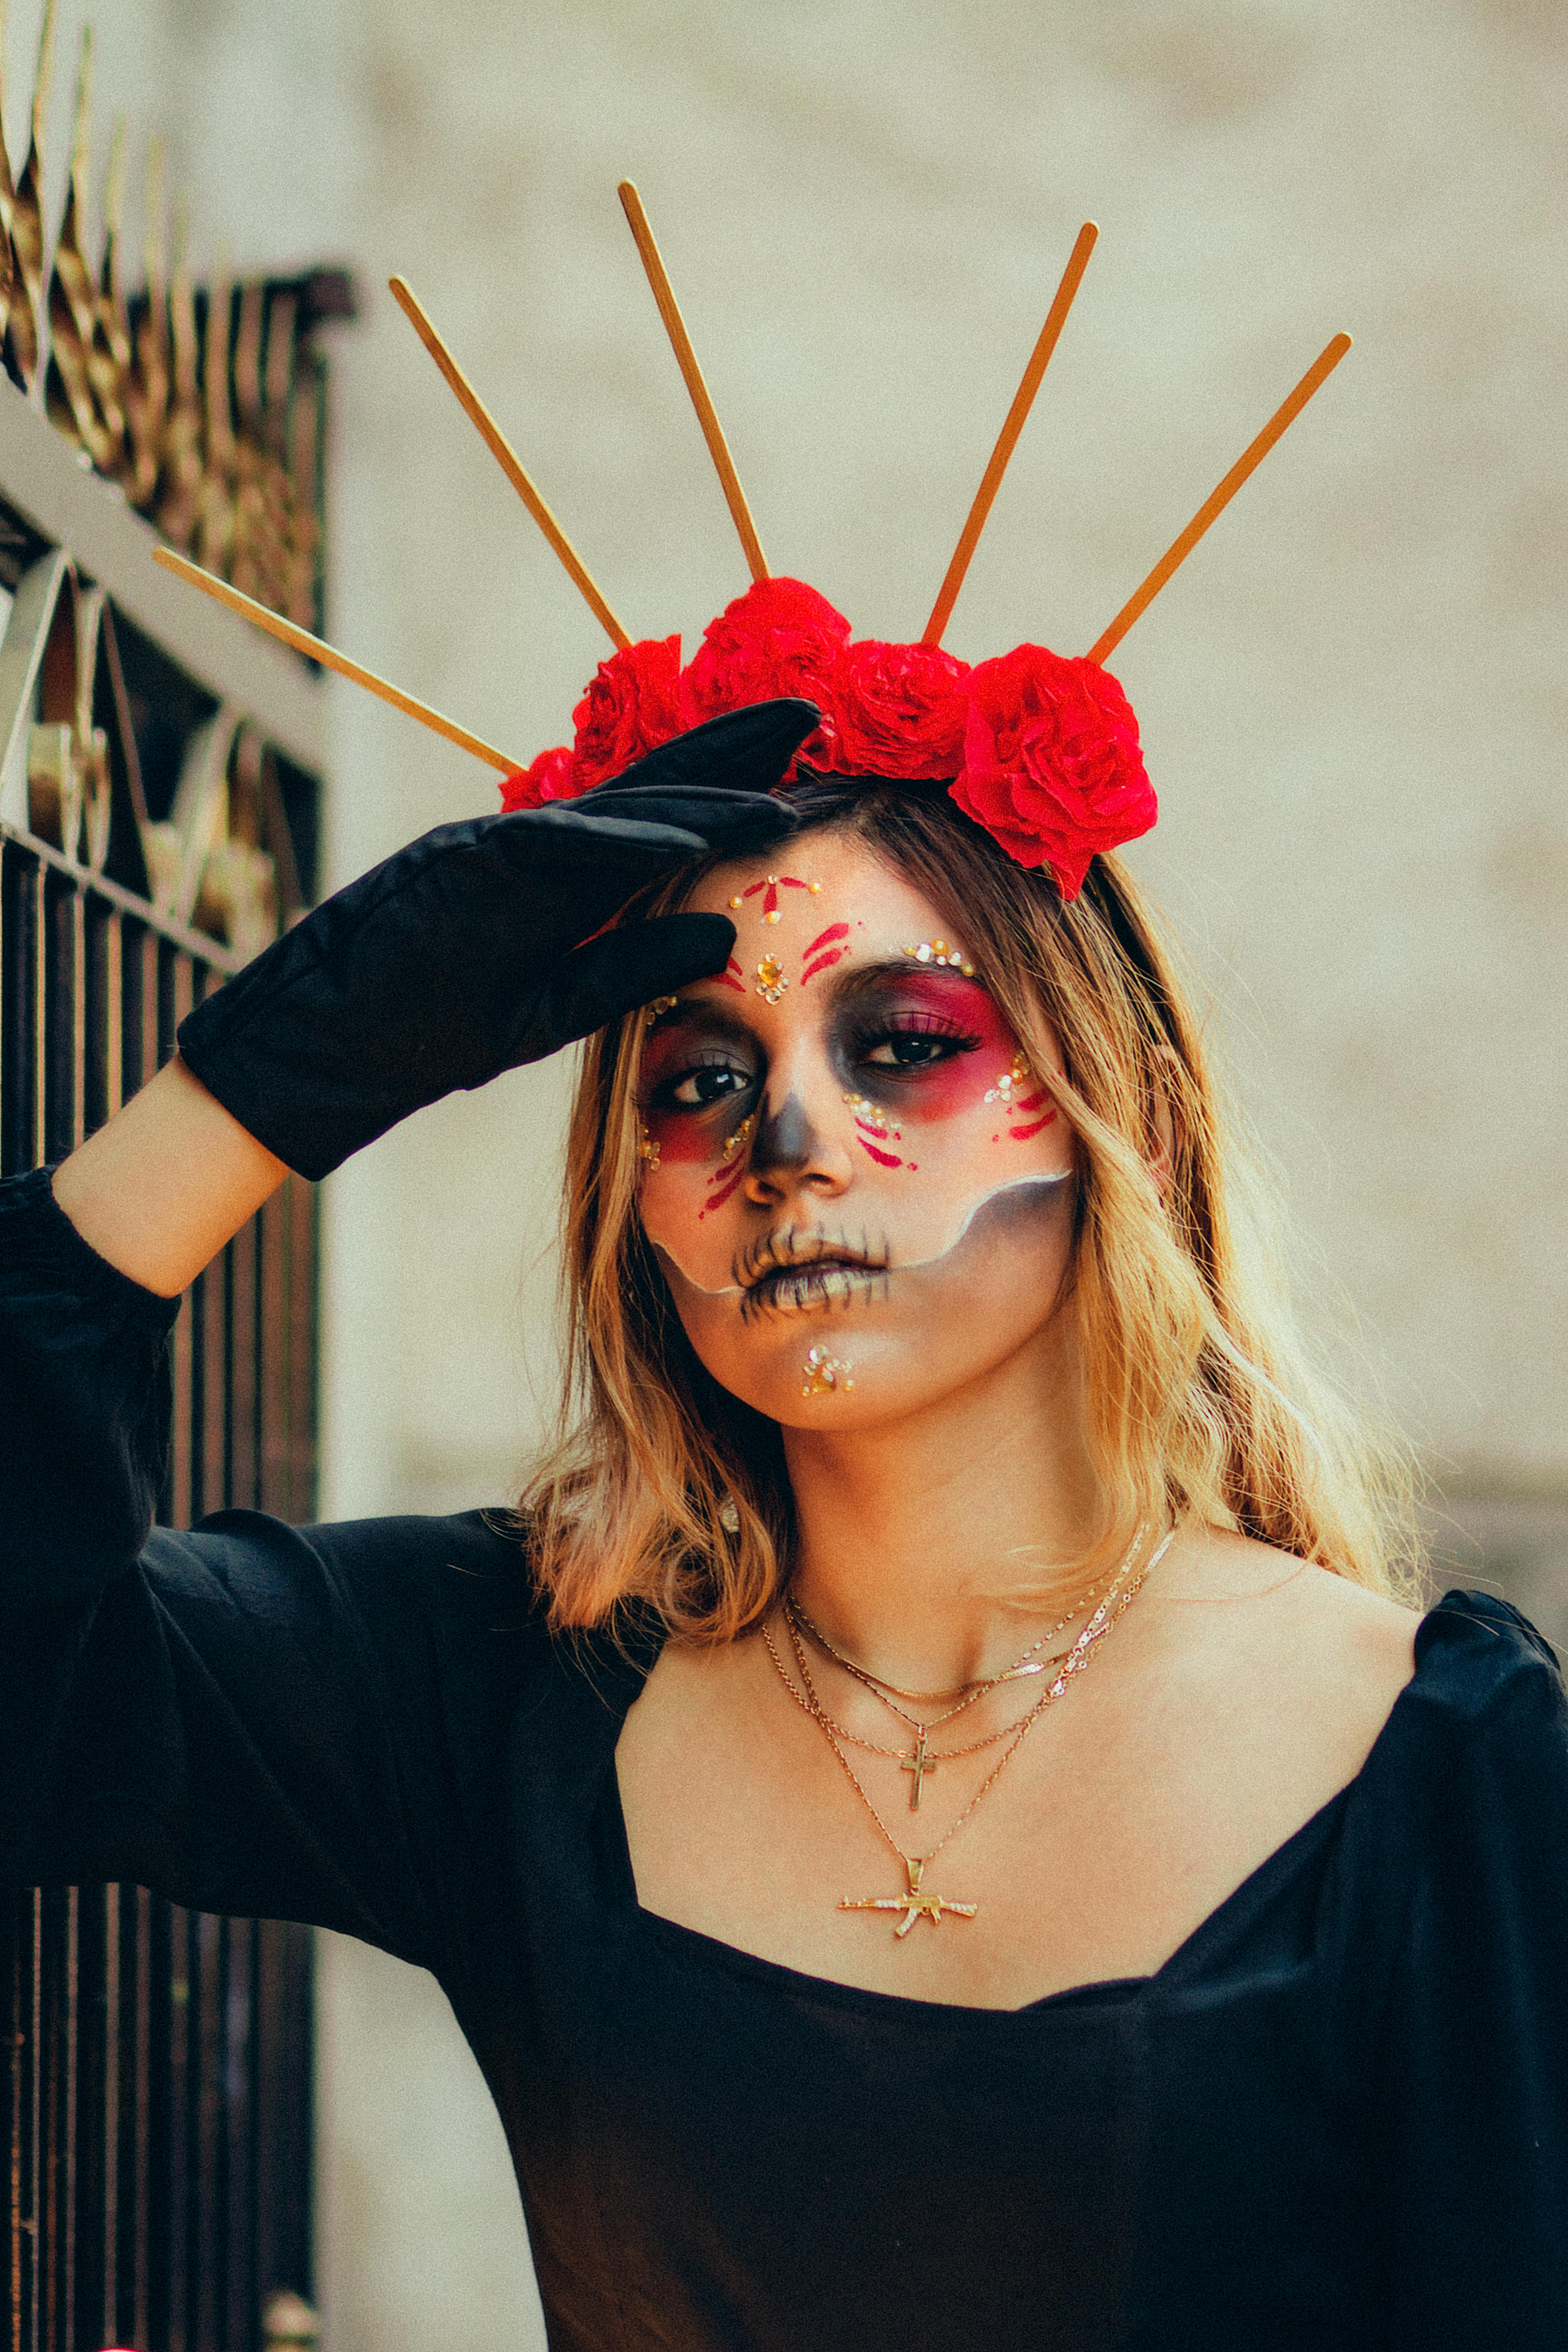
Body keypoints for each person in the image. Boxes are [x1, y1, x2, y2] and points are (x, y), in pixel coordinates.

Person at [4, 577, 1567, 2352]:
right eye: (700, 1080)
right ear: (631, 1186)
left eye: (903, 1043)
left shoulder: (1432, 1755)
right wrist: (262, 1087)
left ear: (1122, 1103)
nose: (794, 1142)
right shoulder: (506, 1675)